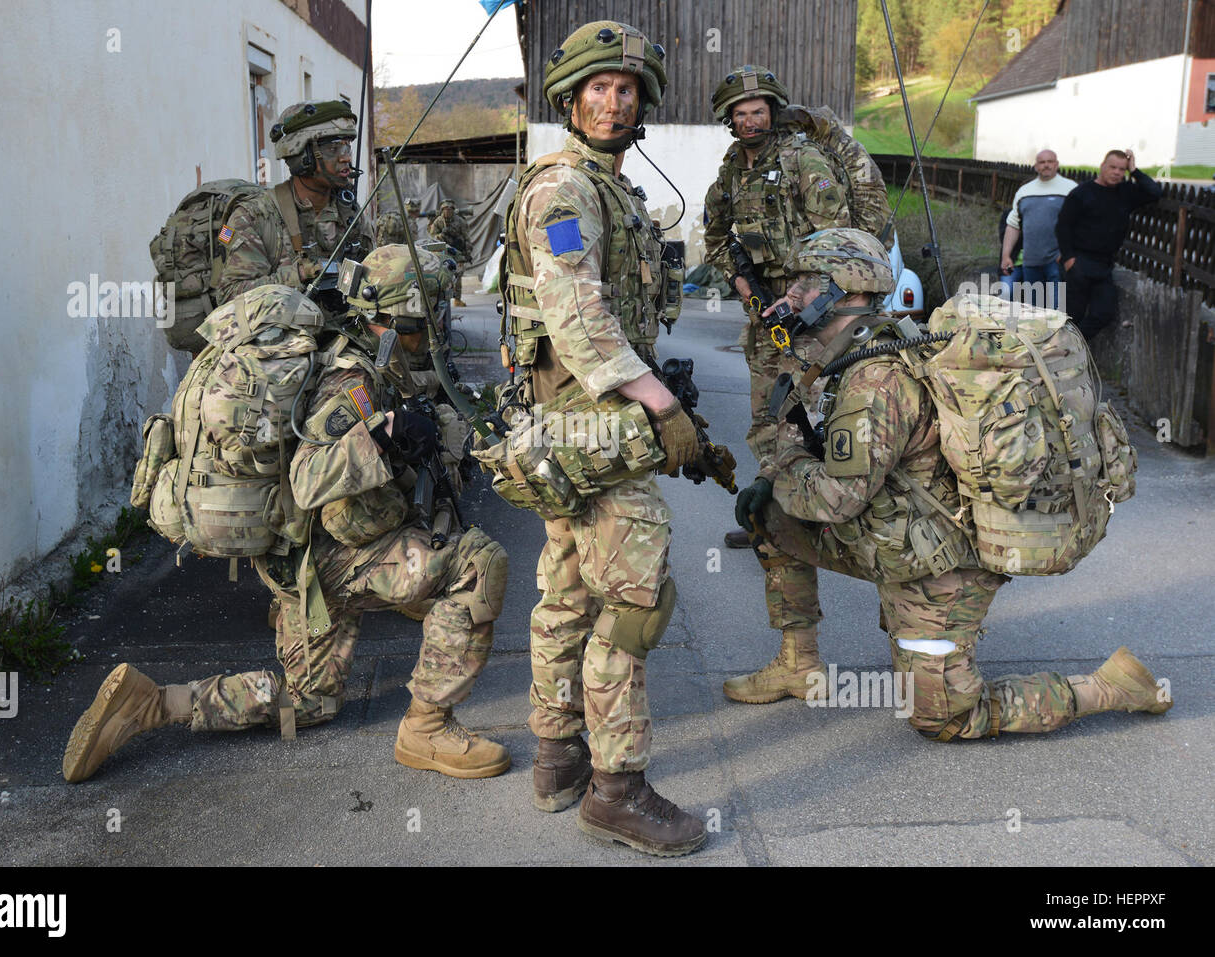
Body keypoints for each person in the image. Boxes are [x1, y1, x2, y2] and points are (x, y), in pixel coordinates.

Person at [63, 248, 510, 783]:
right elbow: (309, 476)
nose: (436, 332)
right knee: (478, 563)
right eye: (430, 320)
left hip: (293, 560)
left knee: (310, 703)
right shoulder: (351, 376)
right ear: (405, 319)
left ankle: (155, 704)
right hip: (332, 558)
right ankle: (428, 727)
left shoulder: (343, 347)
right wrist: (388, 433)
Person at [731, 228, 1173, 738]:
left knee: (945, 718)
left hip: (945, 564)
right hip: (902, 539)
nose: (790, 295)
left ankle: (1112, 687)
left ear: (844, 291)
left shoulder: (873, 380)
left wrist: (779, 455)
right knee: (768, 514)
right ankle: (799, 663)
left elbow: (834, 499)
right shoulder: (877, 343)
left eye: (803, 283)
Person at [501, 19, 705, 856]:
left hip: (577, 426)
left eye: (626, 91)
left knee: (567, 587)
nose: (613, 102)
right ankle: (616, 789)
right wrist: (663, 408)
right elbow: (578, 322)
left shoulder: (609, 188)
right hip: (591, 425)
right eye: (599, 89)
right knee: (632, 601)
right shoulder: (565, 189)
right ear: (571, 99)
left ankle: (556, 756)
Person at [702, 66, 851, 551]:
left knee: (805, 417)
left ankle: (813, 517)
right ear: (731, 120)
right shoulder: (730, 173)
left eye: (758, 112)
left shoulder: (803, 160)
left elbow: (838, 237)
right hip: (764, 315)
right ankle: (771, 517)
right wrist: (748, 292)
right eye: (741, 114)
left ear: (773, 111)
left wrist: (797, 294)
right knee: (768, 419)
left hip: (814, 313)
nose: (750, 121)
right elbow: (717, 239)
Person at [217, 101, 374, 305]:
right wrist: (299, 274)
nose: (345, 158)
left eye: (347, 147)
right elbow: (229, 294)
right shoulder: (254, 215)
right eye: (333, 148)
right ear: (302, 156)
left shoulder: (348, 209)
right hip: (280, 331)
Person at [1055, 148, 1162, 339]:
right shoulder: (1081, 193)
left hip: (1104, 266)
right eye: (1112, 167)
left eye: (1122, 169)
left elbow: (1154, 192)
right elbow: (1063, 227)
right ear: (1102, 166)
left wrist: (1135, 170)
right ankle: (1056, 354)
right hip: (1079, 262)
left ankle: (1071, 347)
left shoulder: (1126, 192)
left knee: (1103, 313)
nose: (1117, 172)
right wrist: (1069, 259)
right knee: (1072, 315)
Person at [1000, 149, 1076, 308]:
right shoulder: (1024, 191)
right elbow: (1013, 225)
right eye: (1042, 162)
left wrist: (1069, 253)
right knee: (1032, 311)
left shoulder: (1070, 189)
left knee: (1055, 311)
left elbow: (1081, 225)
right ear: (1035, 166)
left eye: (1050, 162)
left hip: (1057, 263)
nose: (1046, 165)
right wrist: (1006, 255)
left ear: (1057, 164)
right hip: (1030, 263)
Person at [428, 199, 471, 306]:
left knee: (458, 275)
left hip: (457, 252)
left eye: (450, 209)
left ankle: (457, 299)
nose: (448, 211)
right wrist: (441, 236)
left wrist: (467, 252)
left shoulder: (459, 221)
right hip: (443, 252)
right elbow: (432, 238)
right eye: (445, 209)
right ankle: (442, 298)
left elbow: (466, 238)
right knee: (443, 275)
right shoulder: (438, 221)